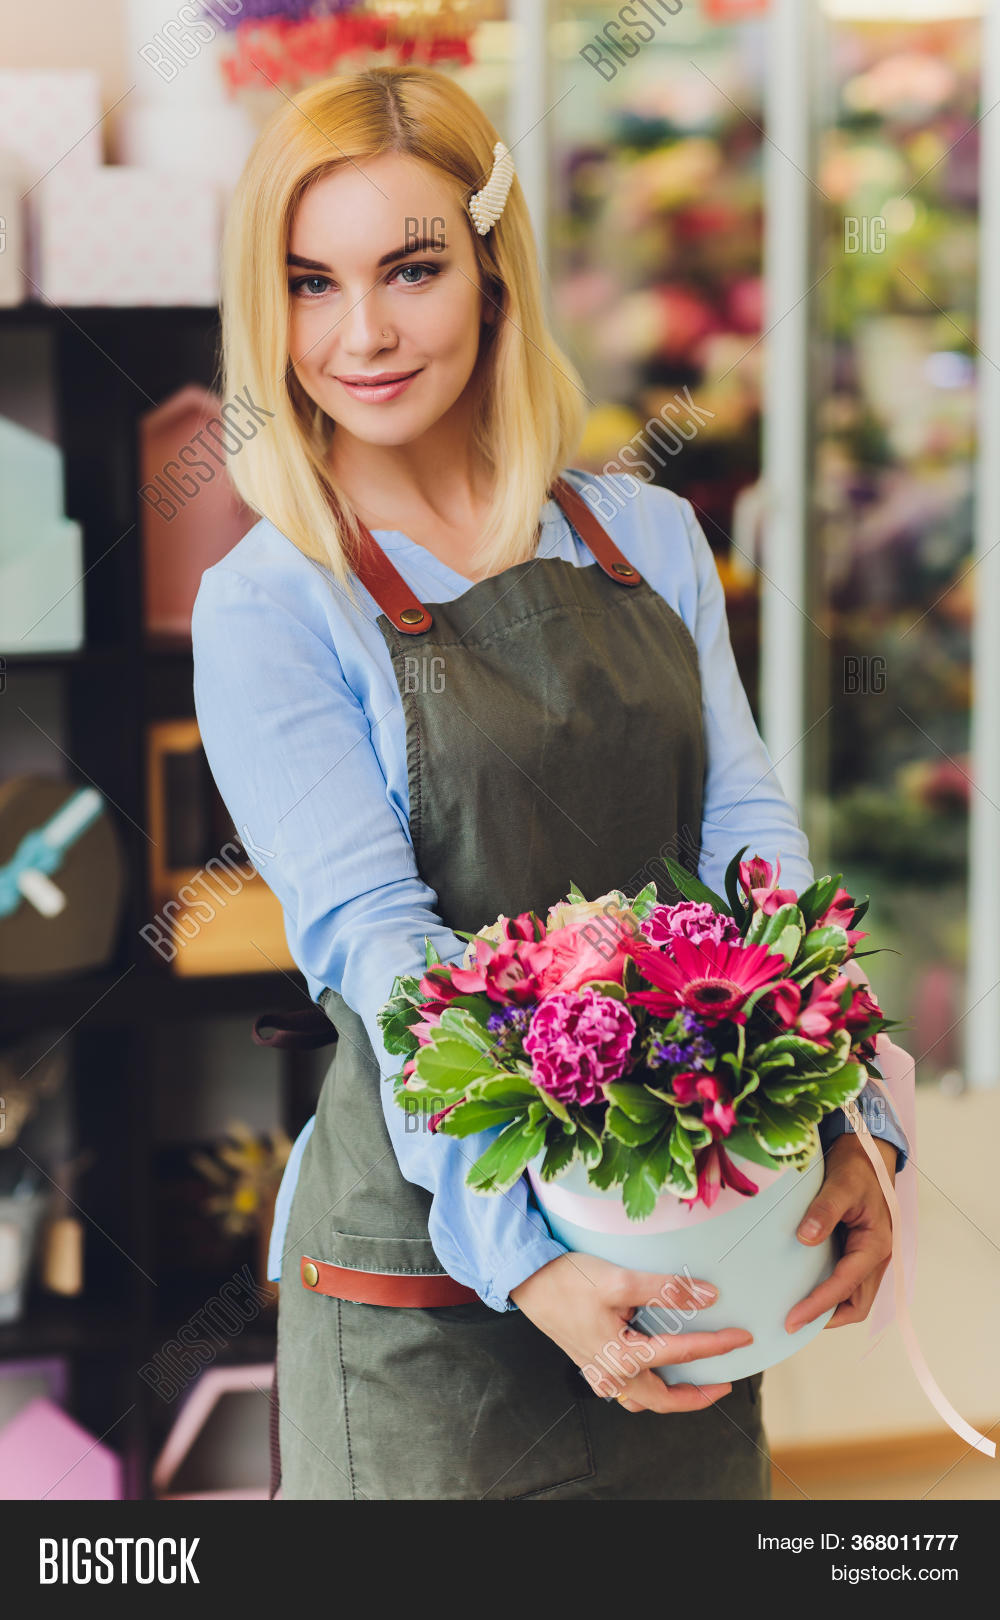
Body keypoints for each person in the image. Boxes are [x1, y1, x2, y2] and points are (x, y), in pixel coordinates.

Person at [191, 65, 908, 1501]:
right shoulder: (274, 605)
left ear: (494, 272)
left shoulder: (646, 537)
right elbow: (387, 952)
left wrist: (858, 1128)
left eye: (411, 269)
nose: (365, 334)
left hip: (684, 1247)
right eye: (311, 284)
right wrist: (531, 1257)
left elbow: (750, 847)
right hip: (430, 1305)